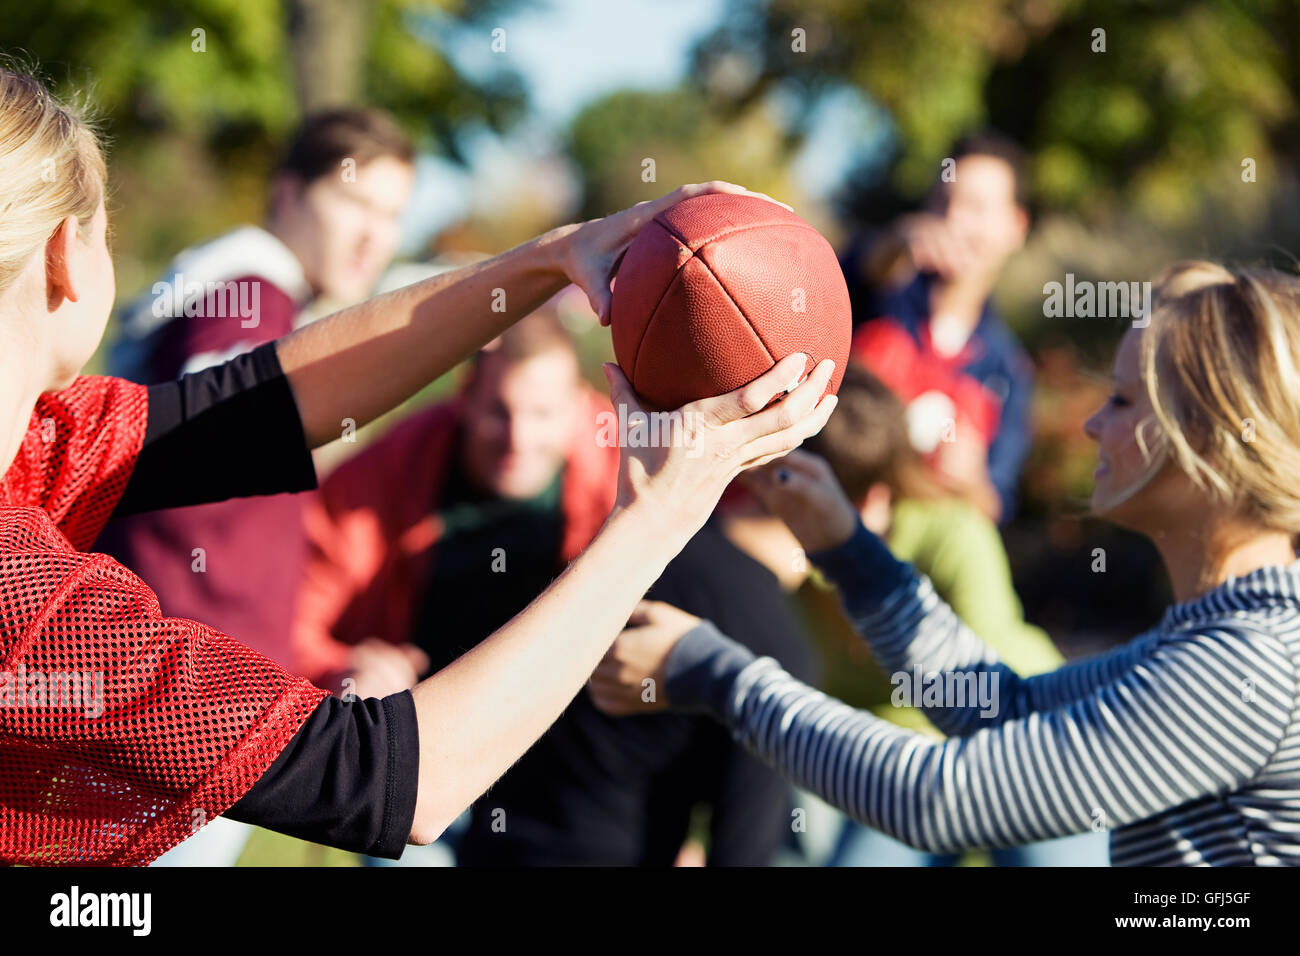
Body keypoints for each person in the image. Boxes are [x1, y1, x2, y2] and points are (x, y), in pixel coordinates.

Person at [0, 65, 837, 866]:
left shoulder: (34, 449)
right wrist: (658, 515)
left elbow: (256, 407)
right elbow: (398, 780)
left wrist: (549, 261)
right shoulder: (28, 608)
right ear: (68, 255)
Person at [593, 261, 1300, 867]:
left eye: (1120, 400)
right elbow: (1001, 709)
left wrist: (714, 673)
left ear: (1211, 444)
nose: (1091, 424)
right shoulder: (1226, 635)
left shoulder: (1247, 663)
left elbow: (939, 797)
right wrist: (852, 553)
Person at [294, 308, 815, 866]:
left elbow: (715, 523)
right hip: (418, 732)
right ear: (465, 399)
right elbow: (290, 612)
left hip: (550, 759)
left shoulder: (627, 467)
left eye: (542, 414)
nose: (519, 438)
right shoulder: (386, 477)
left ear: (577, 409)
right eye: (500, 412)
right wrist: (343, 668)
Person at [94, 107, 416, 868]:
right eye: (355, 204)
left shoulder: (252, 295)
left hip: (171, 704)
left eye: (394, 214)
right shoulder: (249, 291)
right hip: (170, 720)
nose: (376, 235)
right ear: (286, 193)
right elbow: (217, 426)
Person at [767, 362, 1102, 865]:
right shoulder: (781, 553)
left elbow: (984, 689)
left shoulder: (952, 532)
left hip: (1019, 737)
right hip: (887, 760)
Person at [840, 133, 1033, 522]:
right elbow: (859, 270)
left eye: (977, 207)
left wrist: (972, 480)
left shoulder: (1007, 370)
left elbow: (996, 506)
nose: (955, 220)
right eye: (943, 202)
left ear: (1016, 226)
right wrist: (898, 240)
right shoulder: (878, 294)